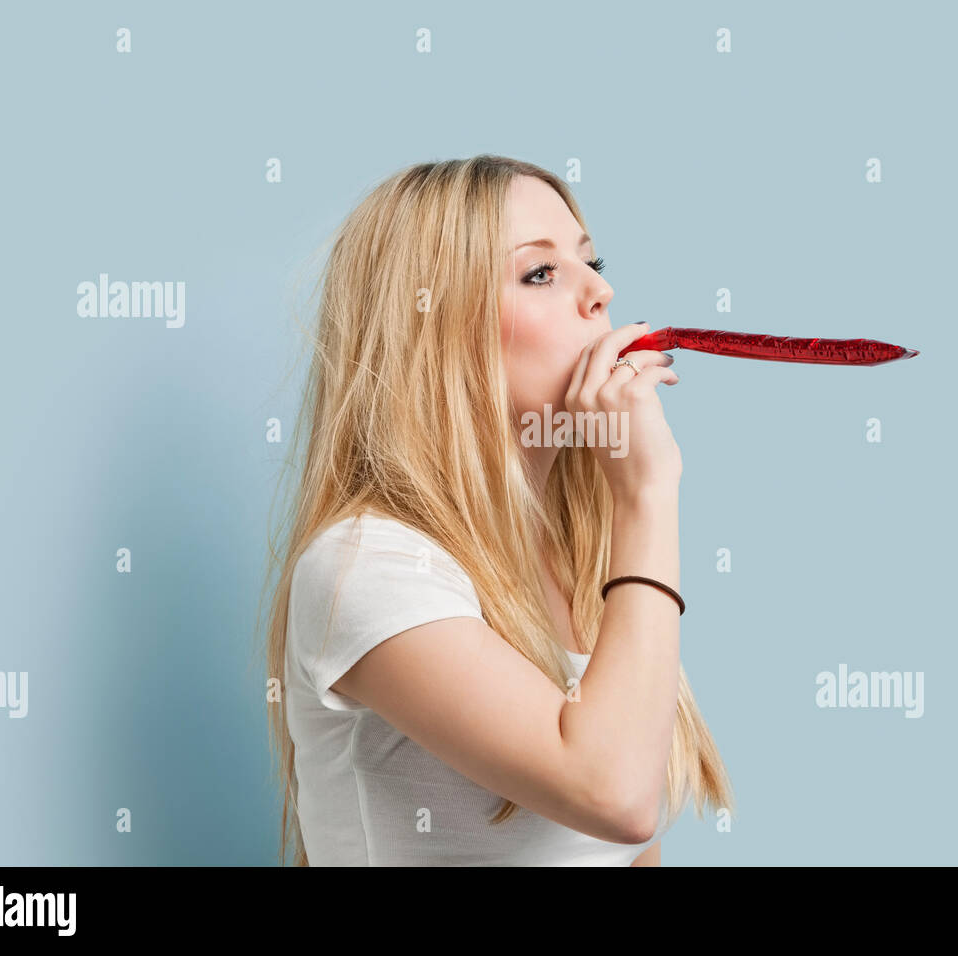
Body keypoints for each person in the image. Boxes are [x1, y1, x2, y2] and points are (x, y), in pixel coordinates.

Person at [261, 155, 734, 865]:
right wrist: (646, 492)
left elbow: (633, 849)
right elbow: (616, 796)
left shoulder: (587, 555)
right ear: (435, 327)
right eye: (540, 273)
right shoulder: (367, 565)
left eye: (591, 261)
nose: (600, 292)